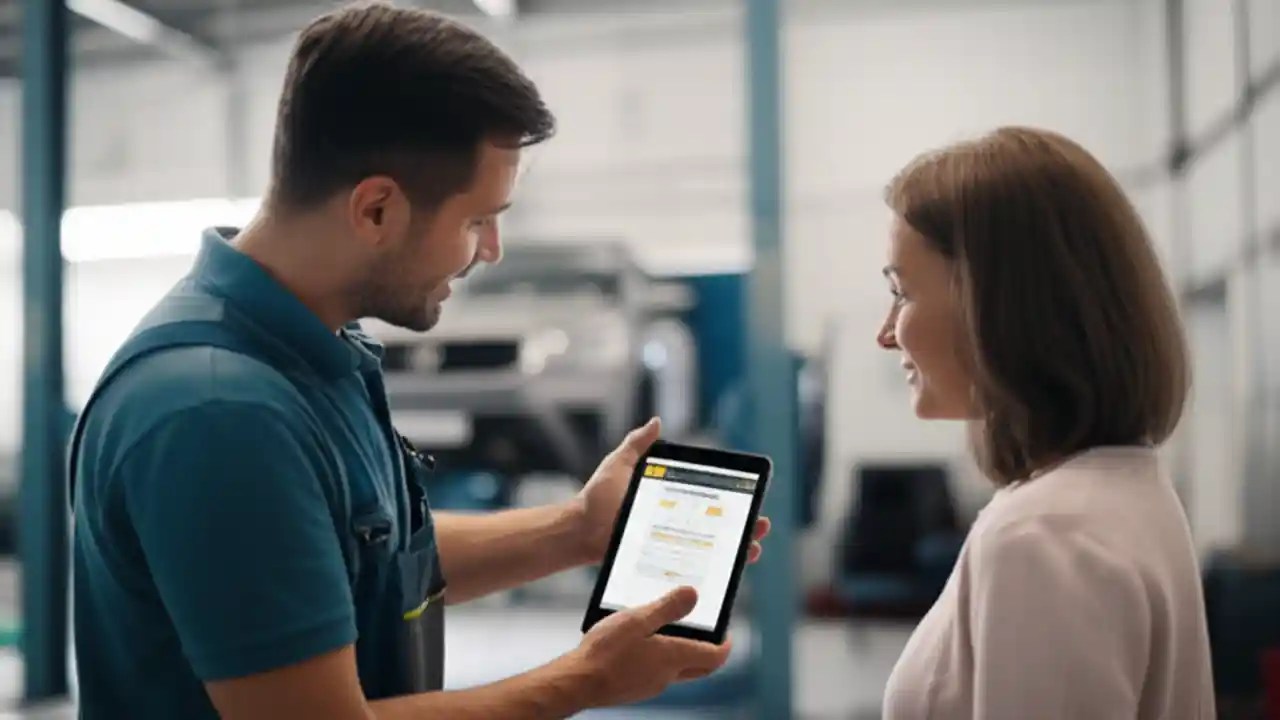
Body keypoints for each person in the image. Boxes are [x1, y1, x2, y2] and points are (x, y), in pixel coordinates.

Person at [68, 4, 769, 719]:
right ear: (376, 210)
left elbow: (363, 564)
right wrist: (587, 678)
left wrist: (580, 530)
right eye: (476, 221)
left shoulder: (317, 353)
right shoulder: (219, 413)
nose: (488, 250)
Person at [875, 127, 1215, 719]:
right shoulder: (1124, 489)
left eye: (902, 293)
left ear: (992, 303)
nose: (886, 333)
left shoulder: (1041, 535)